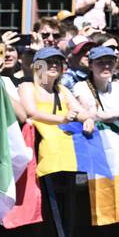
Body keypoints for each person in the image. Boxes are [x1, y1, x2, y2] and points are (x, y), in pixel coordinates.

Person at [17, 48, 95, 177]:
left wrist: (88, 119)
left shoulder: (62, 90)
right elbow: (31, 113)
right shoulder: (28, 87)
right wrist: (62, 119)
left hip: (67, 155)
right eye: (48, 62)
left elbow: (80, 111)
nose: (54, 65)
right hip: (40, 155)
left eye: (58, 62)